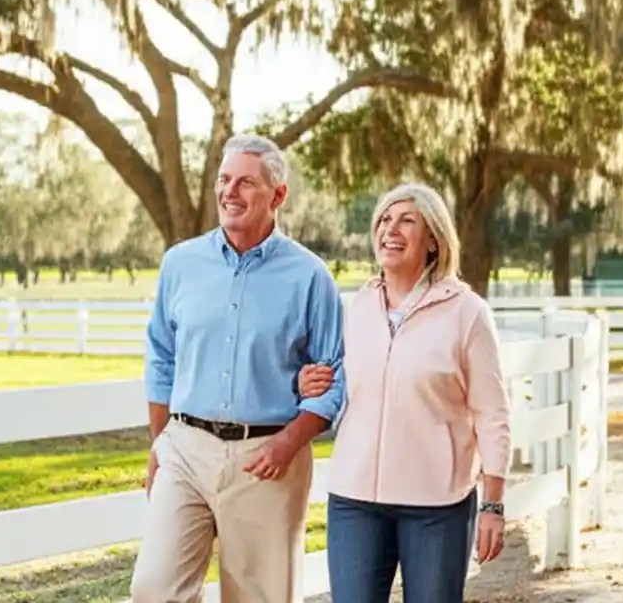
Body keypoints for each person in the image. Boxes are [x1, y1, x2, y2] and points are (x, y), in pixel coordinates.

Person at [129, 134, 344, 603]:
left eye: (246, 182)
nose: (230, 192)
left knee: (258, 597)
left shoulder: (310, 277)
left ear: (278, 195)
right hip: (184, 449)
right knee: (153, 589)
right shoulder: (181, 264)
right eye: (224, 180)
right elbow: (161, 357)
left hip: (267, 454)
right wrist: (160, 440)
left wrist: (289, 443)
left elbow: (333, 380)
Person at [298, 181, 512, 602]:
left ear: (433, 239)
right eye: (384, 219)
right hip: (355, 499)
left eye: (406, 220)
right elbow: (340, 382)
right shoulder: (358, 307)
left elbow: (493, 414)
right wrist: (309, 383)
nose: (390, 229)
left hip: (437, 505)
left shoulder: (468, 314)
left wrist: (493, 504)